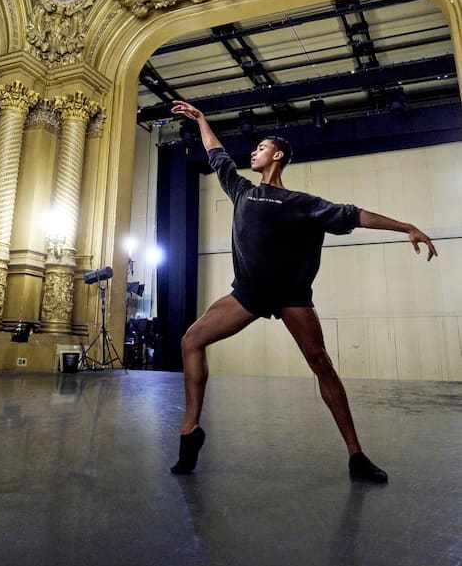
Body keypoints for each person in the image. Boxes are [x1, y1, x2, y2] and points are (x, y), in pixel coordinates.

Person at [169, 99, 438, 481]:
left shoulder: (304, 204)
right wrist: (201, 120)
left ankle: (356, 455)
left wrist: (406, 226)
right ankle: (190, 431)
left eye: (261, 147)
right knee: (191, 341)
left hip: (293, 297)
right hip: (247, 293)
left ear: (277, 155)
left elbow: (355, 215)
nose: (254, 152)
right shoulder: (242, 191)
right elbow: (217, 155)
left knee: (321, 364)